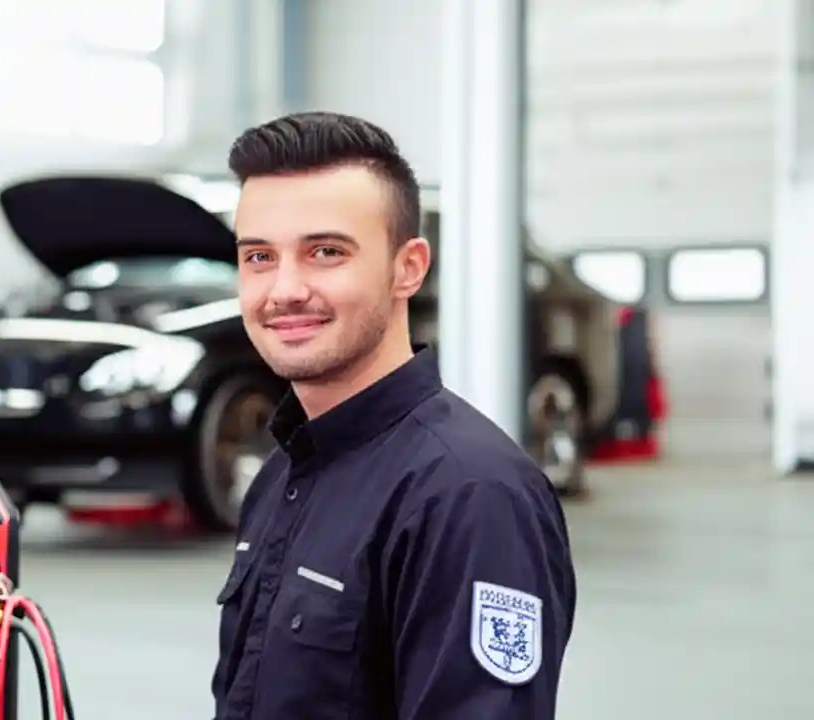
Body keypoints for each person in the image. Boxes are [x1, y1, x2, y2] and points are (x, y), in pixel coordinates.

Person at [210, 111, 577, 719]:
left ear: (408, 267)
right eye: (259, 257)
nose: (284, 290)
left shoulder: (470, 495)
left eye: (325, 252)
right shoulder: (281, 476)